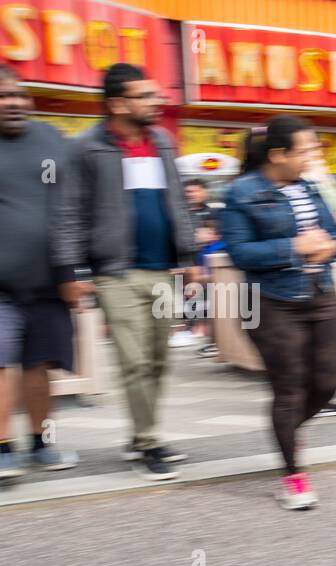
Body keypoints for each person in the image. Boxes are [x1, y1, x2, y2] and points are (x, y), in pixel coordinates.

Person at [57, 63, 198, 480]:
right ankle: (150, 441)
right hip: (114, 272)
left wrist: (188, 258)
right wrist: (70, 269)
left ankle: (140, 439)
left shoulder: (163, 143)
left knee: (157, 361)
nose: (157, 103)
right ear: (117, 104)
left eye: (156, 95)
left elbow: (177, 200)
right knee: (134, 361)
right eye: (146, 96)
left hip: (160, 271)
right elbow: (68, 212)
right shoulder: (86, 148)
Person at [220, 116, 336, 510]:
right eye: (305, 150)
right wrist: (295, 247)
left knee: (327, 383)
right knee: (288, 388)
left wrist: (332, 247)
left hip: (320, 293)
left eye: (314, 149)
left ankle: (287, 431)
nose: (313, 157)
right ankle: (293, 476)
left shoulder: (310, 188)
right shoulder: (240, 193)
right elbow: (240, 253)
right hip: (269, 302)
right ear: (278, 154)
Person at [0, 65, 80, 479]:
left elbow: (67, 208)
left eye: (19, 95)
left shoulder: (51, 138)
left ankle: (40, 443)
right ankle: (2, 448)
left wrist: (71, 271)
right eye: (3, 96)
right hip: (2, 287)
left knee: (39, 368)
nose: (13, 102)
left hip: (48, 283)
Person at [181, 177, 221, 356]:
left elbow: (219, 236)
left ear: (204, 192)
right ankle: (193, 326)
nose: (192, 195)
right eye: (188, 192)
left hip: (208, 261)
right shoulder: (180, 215)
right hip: (187, 260)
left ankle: (201, 328)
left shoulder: (214, 214)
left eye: (195, 191)